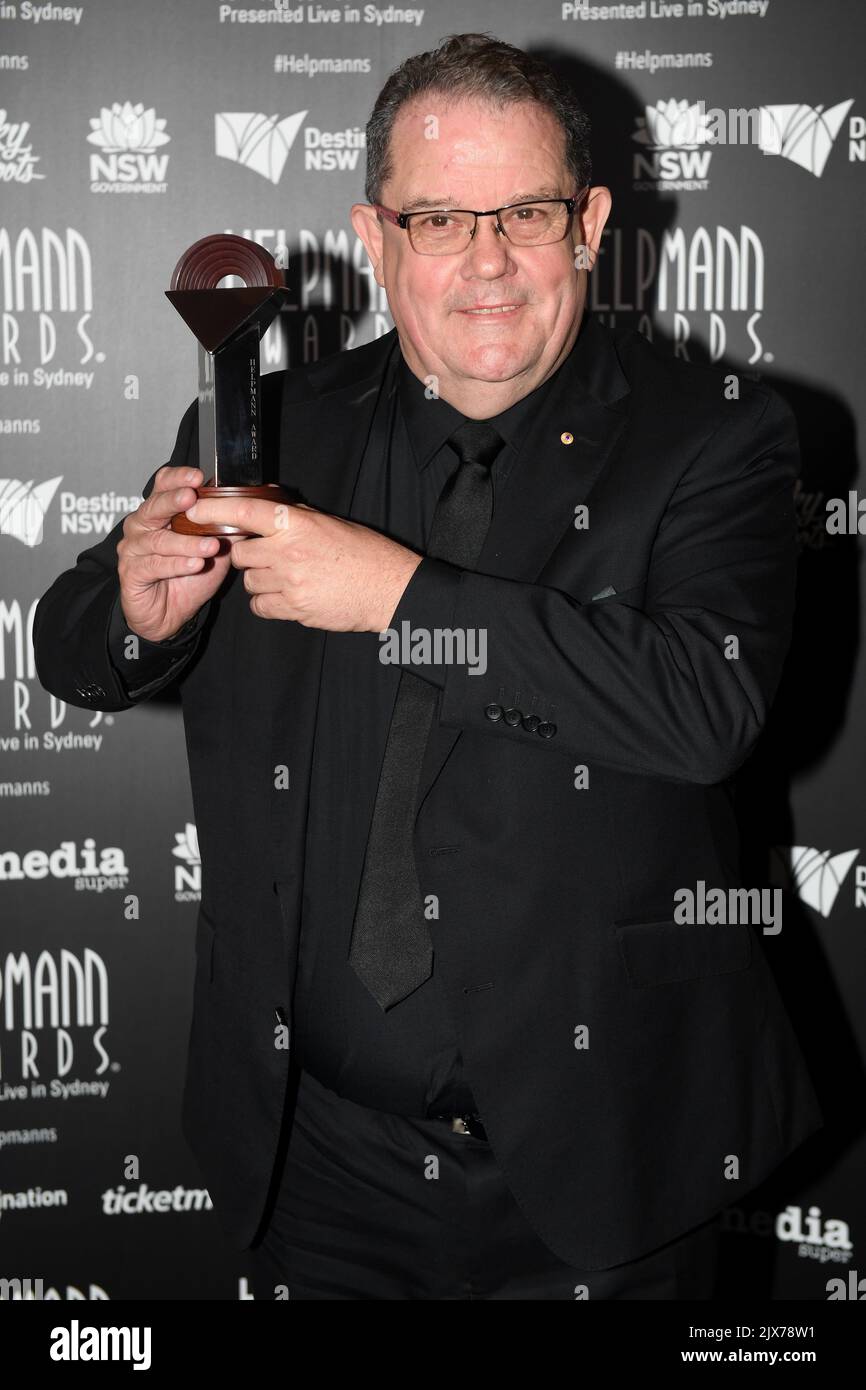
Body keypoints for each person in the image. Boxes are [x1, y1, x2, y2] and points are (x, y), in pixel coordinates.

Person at [34, 32, 822, 1300]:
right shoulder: (264, 430)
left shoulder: (715, 437)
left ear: (590, 223)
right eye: (440, 218)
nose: (487, 261)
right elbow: (72, 649)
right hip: (321, 1166)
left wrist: (397, 597)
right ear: (374, 234)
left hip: (608, 1170)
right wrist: (138, 607)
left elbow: (704, 702)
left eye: (525, 211)